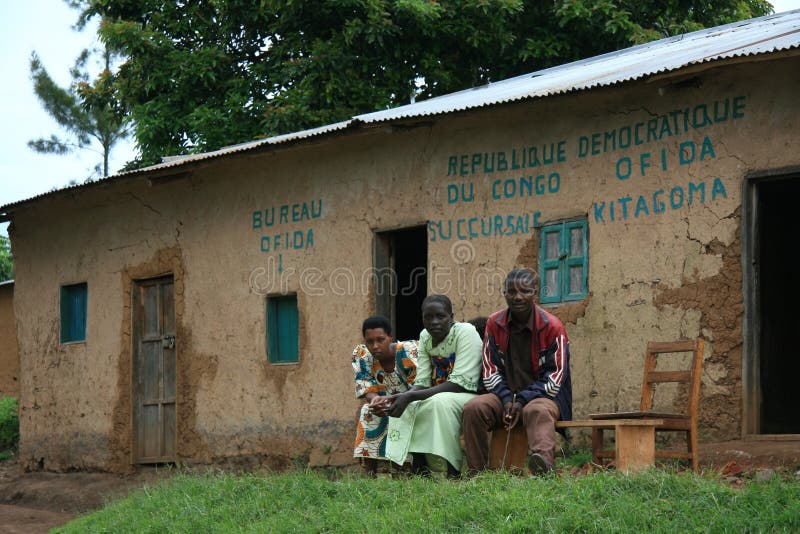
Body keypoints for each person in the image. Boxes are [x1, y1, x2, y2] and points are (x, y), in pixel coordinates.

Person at [462, 268, 572, 475]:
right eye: (511, 292)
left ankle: (544, 466)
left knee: (536, 411)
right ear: (504, 293)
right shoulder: (494, 324)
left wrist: (521, 401)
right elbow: (489, 369)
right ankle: (476, 472)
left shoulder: (553, 327)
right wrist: (506, 400)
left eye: (525, 291)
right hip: (503, 395)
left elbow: (555, 377)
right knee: (473, 408)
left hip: (543, 395)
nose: (518, 297)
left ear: (535, 293)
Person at [382, 294, 483, 478]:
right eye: (428, 317)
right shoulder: (425, 337)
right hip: (442, 393)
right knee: (408, 406)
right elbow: (422, 381)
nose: (434, 322)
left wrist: (411, 396)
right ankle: (419, 468)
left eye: (440, 316)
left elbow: (460, 383)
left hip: (470, 393)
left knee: (437, 402)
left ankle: (452, 470)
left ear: (451, 317)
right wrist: (403, 397)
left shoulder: (465, 332)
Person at [352, 315, 418, 476]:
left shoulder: (407, 351)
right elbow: (366, 384)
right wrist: (376, 401)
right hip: (383, 404)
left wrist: (398, 400)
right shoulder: (363, 355)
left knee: (405, 412)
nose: (375, 346)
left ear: (390, 337)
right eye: (370, 341)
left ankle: (403, 470)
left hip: (411, 400)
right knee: (368, 410)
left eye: (380, 340)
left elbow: (419, 384)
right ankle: (370, 473)